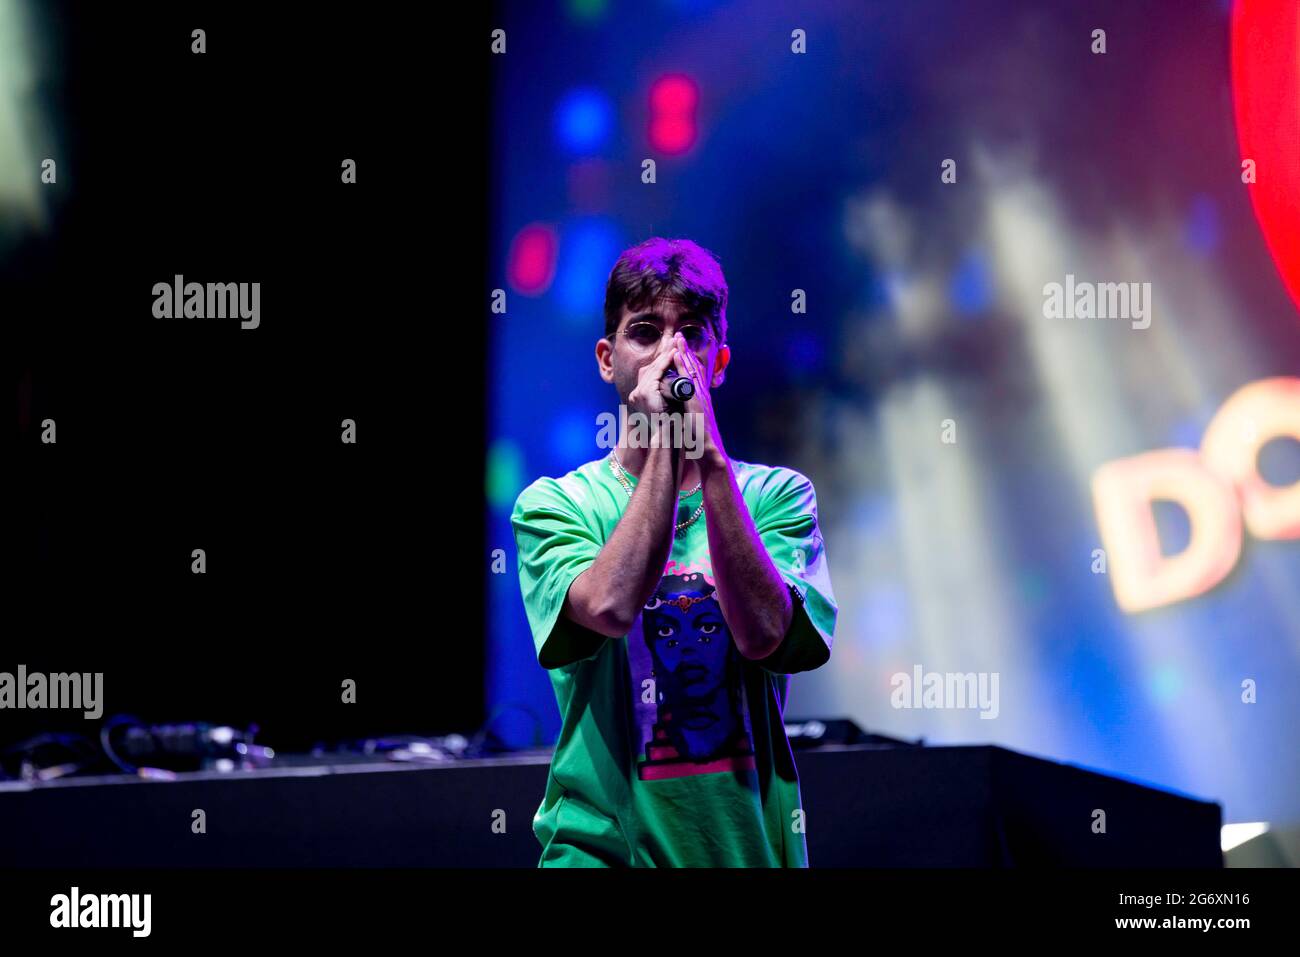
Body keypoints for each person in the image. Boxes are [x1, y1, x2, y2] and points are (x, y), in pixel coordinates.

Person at [511, 237, 837, 867]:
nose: (669, 354)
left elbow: (767, 633)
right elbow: (608, 607)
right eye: (645, 331)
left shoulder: (776, 496)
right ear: (608, 360)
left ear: (717, 363)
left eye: (690, 332)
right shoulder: (557, 504)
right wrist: (668, 441)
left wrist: (707, 455)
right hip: (602, 854)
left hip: (747, 851)